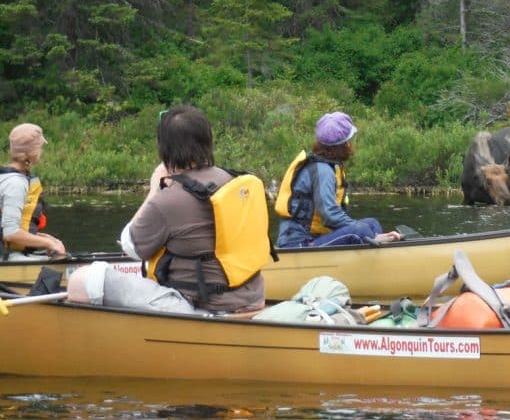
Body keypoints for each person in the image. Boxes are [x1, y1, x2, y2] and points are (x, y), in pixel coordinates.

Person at [67, 104, 270, 313]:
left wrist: (155, 188)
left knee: (80, 280)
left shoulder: (168, 200)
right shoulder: (234, 180)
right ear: (207, 141)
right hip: (253, 297)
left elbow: (131, 247)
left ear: (165, 149)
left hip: (199, 306)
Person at [275, 111, 399, 248]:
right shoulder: (323, 171)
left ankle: (372, 243)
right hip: (298, 244)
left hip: (315, 237)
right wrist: (362, 230)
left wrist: (368, 232)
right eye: (348, 141)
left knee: (372, 223)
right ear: (341, 145)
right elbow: (329, 215)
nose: (350, 145)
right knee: (361, 230)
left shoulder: (325, 166)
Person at [0, 123, 66, 260]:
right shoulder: (15, 184)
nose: (41, 152)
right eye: (40, 148)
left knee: (56, 249)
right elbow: (10, 233)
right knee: (55, 264)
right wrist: (48, 243)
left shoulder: (14, 178)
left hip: (12, 253)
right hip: (6, 257)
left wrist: (49, 240)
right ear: (31, 152)